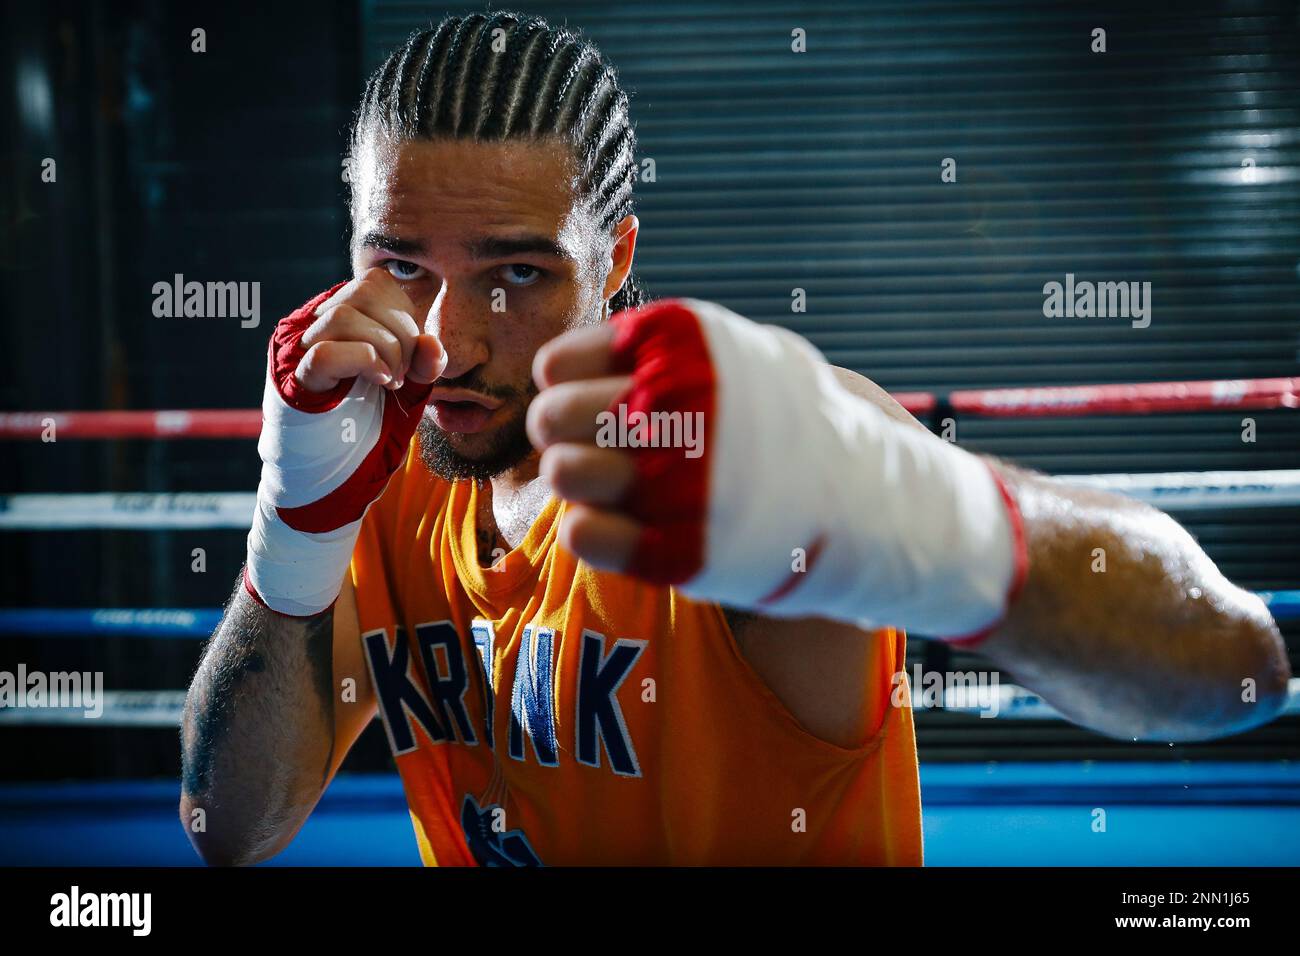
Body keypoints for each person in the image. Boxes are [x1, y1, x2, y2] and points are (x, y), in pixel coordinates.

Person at [179, 11, 1290, 866]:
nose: (448, 340)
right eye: (403, 264)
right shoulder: (375, 476)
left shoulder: (731, 459)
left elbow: (1230, 667)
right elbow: (227, 824)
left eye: (516, 272)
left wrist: (896, 506)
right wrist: (293, 532)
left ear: (613, 260)